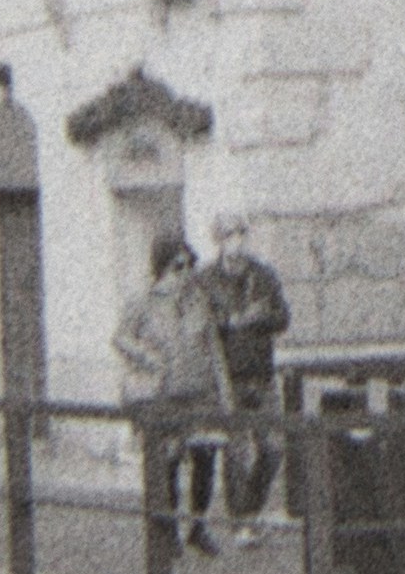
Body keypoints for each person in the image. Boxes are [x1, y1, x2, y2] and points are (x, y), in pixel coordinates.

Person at [115, 234, 227, 551]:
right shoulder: (144, 300)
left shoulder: (198, 301)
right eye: (179, 265)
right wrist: (145, 357)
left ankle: (198, 526)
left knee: (205, 456)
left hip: (199, 392)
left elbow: (214, 348)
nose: (185, 272)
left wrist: (223, 394)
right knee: (170, 460)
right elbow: (121, 337)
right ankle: (170, 532)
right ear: (163, 266)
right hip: (165, 392)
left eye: (190, 264)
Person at [199, 227, 292, 535]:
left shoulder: (263, 274)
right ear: (219, 241)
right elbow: (201, 323)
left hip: (261, 374)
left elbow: (282, 318)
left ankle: (251, 507)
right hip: (228, 376)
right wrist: (230, 323)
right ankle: (241, 522)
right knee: (236, 451)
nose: (235, 242)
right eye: (228, 236)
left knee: (274, 446)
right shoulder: (207, 278)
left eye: (240, 235)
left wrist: (260, 318)